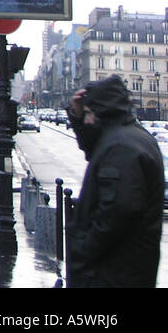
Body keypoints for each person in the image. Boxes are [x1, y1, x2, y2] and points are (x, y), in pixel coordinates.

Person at [66, 76, 164, 287]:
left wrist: (83, 249)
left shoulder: (122, 147)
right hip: (123, 270)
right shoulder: (127, 136)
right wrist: (77, 114)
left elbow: (120, 210)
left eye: (90, 113)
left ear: (104, 113)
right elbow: (94, 148)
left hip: (112, 274)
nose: (88, 120)